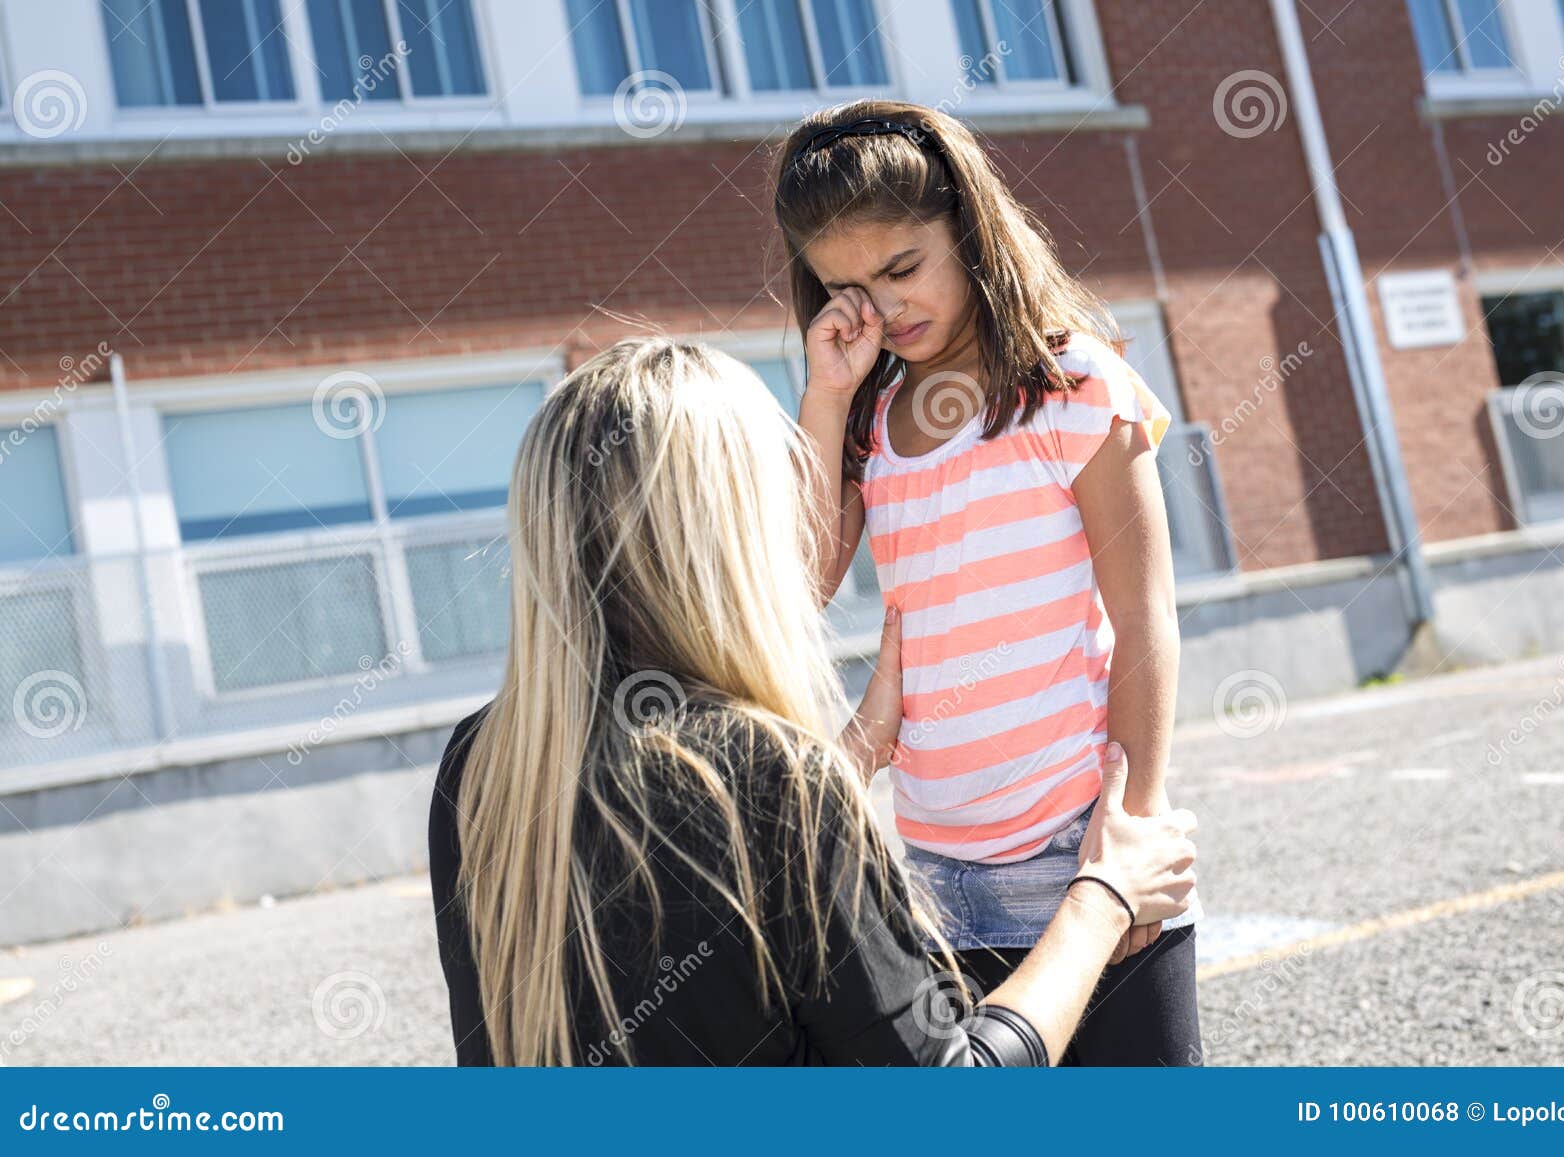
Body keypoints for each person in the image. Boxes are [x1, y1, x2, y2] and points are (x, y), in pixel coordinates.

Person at [428, 336, 1197, 1065]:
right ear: (726, 535)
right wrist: (1102, 897)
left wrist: (853, 754)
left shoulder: (479, 767)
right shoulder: (776, 780)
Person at [775, 99, 1204, 1064]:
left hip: (1081, 849)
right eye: (846, 287)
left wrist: (1128, 830)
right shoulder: (866, 420)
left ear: (969, 232)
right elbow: (796, 585)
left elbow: (1145, 619)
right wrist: (828, 392)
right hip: (930, 873)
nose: (882, 308)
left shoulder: (1076, 383)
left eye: (901, 268)